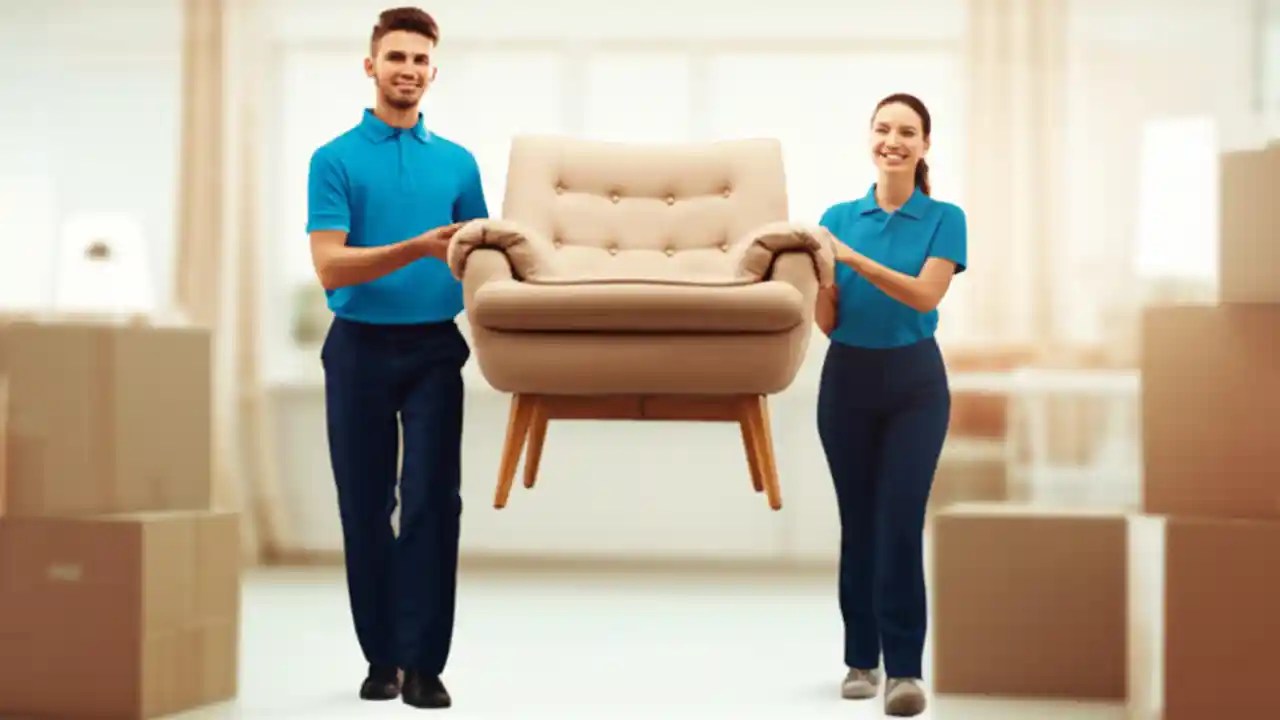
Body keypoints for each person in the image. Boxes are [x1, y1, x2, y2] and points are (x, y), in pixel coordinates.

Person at [306, 6, 488, 710]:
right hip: (357, 351)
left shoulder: (458, 163)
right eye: (396, 58)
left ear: (432, 73)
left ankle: (424, 665)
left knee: (433, 507)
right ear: (371, 66)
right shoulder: (335, 159)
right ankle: (381, 658)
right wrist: (415, 247)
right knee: (364, 507)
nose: (407, 70)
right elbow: (331, 269)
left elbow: (480, 264)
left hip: (434, 350)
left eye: (419, 61)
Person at [813, 92, 967, 718]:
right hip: (846, 376)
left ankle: (905, 673)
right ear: (869, 139)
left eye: (907, 132)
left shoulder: (944, 217)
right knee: (859, 523)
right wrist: (823, 277)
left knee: (900, 522)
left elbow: (925, 296)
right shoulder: (835, 216)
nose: (893, 141)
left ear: (925, 145)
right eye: (883, 130)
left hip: (915, 384)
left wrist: (849, 258)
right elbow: (829, 319)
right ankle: (860, 659)